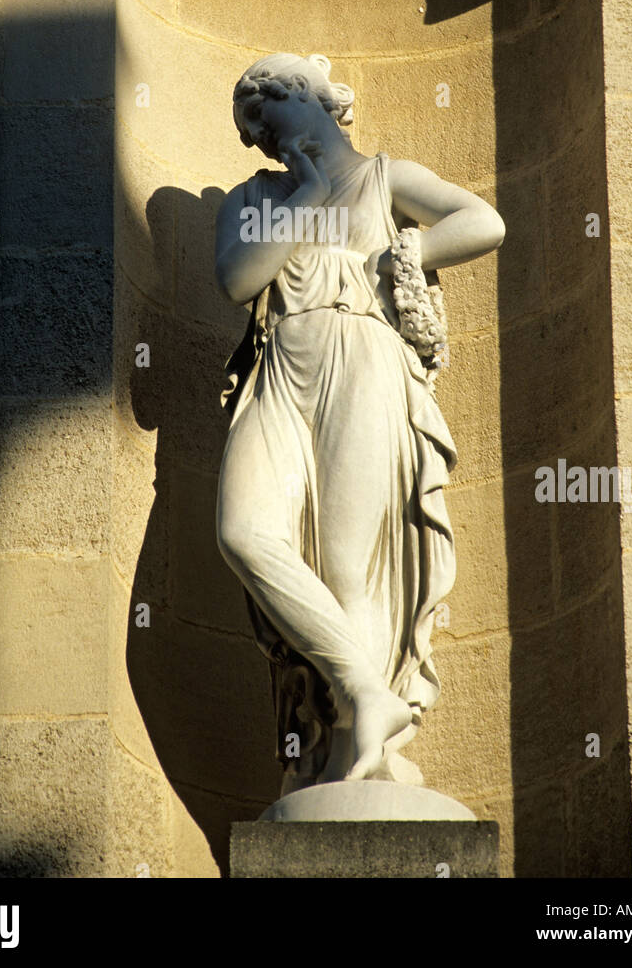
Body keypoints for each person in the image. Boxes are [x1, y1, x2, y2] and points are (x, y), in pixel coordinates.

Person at [214, 53, 505, 787]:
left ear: (306, 96)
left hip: (366, 359)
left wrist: (400, 262)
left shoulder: (386, 177)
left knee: (350, 565)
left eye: (263, 115)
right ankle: (365, 691)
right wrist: (305, 193)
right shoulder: (255, 196)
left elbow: (483, 222)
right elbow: (238, 280)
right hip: (280, 367)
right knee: (244, 533)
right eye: (249, 130)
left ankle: (356, 753)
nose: (258, 138)